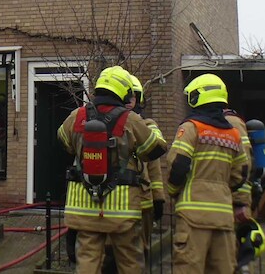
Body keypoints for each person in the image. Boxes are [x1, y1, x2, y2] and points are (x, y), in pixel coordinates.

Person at [58, 66, 167, 274]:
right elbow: (154, 149)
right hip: (121, 209)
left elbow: (63, 141)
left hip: (83, 207)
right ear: (123, 91)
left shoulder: (77, 115)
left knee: (87, 259)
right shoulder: (131, 120)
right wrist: (151, 128)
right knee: (130, 261)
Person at [165, 74, 249, 274]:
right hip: (223, 216)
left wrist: (173, 190)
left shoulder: (191, 128)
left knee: (188, 268)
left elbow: (178, 165)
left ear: (197, 97)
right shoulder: (234, 134)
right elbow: (241, 173)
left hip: (192, 215)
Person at [127, 73, 167, 251]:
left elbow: (154, 168)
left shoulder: (148, 125)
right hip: (118, 201)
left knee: (140, 248)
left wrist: (158, 198)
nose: (129, 101)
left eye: (132, 97)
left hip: (142, 200)